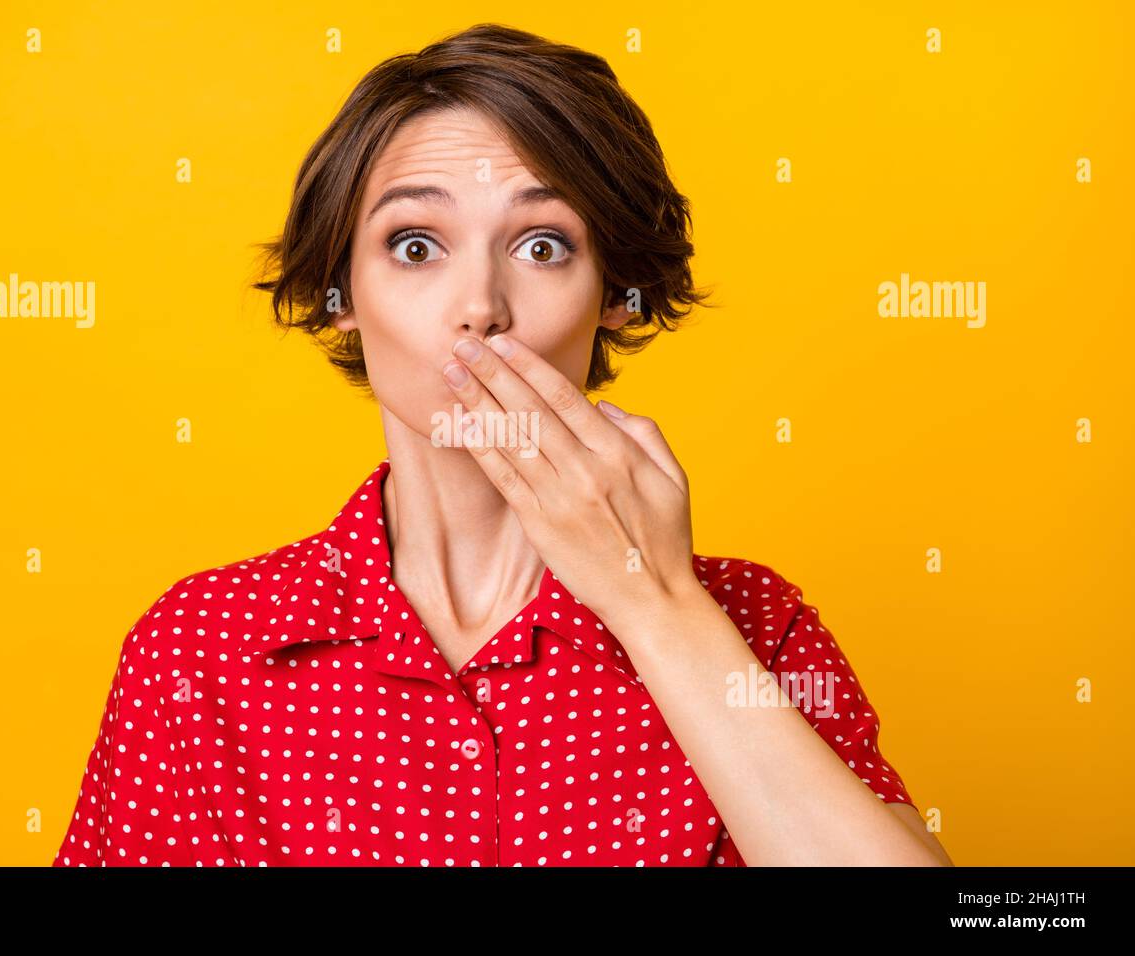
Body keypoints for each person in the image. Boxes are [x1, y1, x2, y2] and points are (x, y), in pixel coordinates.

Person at [53, 23, 952, 867]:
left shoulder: (757, 627)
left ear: (614, 294)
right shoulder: (200, 653)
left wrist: (657, 604)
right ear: (341, 292)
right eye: (415, 245)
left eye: (542, 244)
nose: (479, 305)